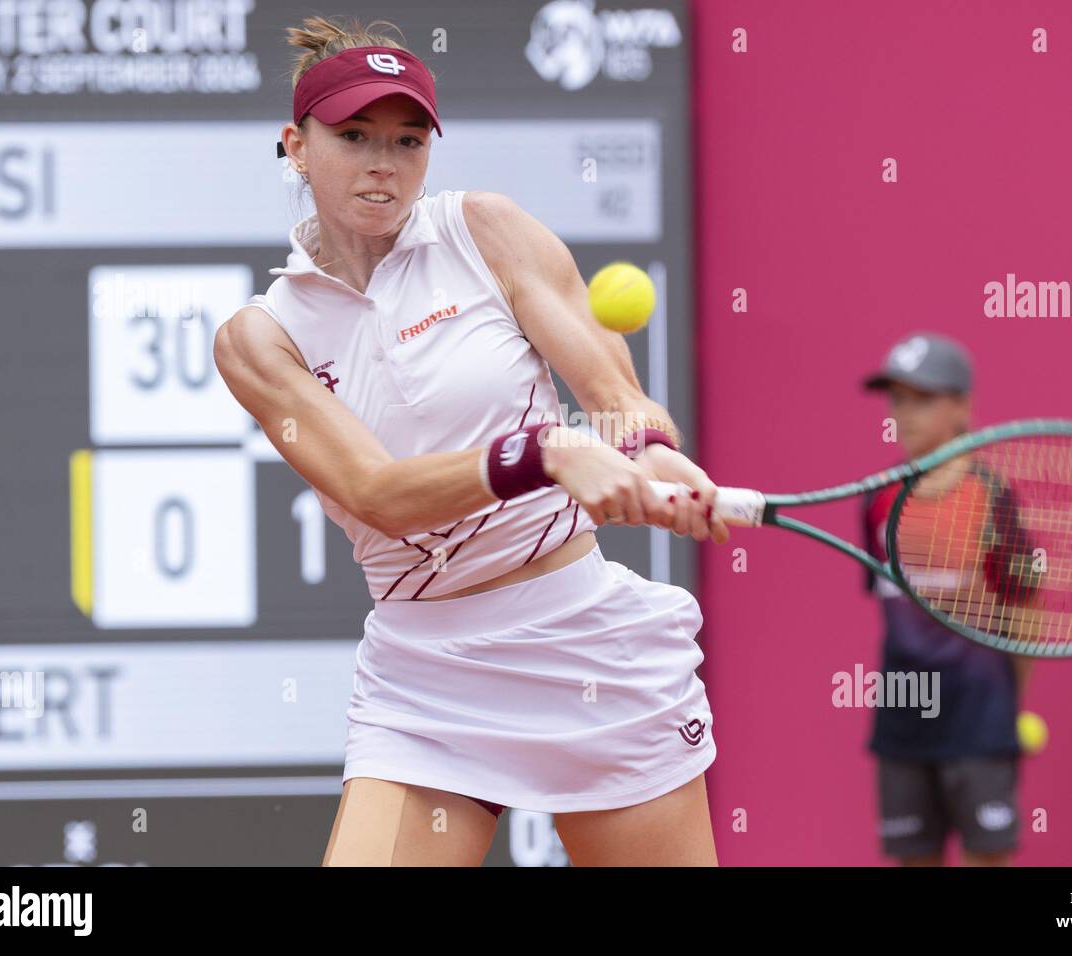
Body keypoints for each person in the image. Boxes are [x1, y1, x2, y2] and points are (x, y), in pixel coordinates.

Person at [214, 16, 729, 866]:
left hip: (588, 645)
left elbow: (614, 397)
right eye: (354, 137)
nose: (383, 162)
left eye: (408, 140)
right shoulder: (262, 337)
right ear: (295, 147)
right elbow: (375, 493)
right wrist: (548, 455)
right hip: (427, 674)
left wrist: (647, 452)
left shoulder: (484, 231)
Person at [858, 332, 1036, 866]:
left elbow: (1025, 613)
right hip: (901, 719)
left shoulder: (993, 498)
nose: (905, 413)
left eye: (923, 399)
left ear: (962, 406)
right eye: (898, 399)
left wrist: (1009, 708)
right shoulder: (878, 499)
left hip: (980, 721)